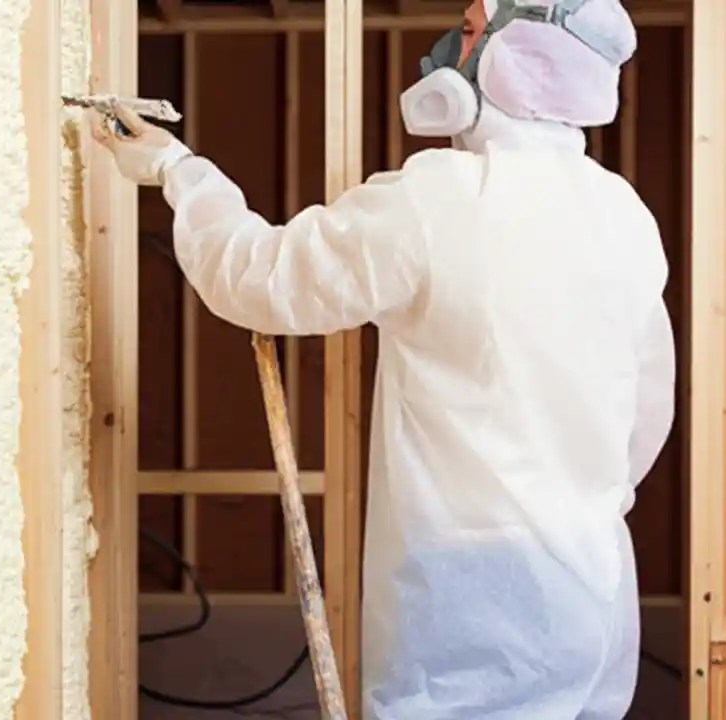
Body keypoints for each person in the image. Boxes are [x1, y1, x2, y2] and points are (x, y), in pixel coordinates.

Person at [91, 0, 674, 716]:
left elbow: (259, 278)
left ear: (514, 53)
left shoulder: (436, 199)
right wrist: (577, 502)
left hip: (473, 595)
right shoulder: (622, 213)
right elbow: (649, 408)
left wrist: (176, 170)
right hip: (595, 585)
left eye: (467, 32)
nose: (446, 52)